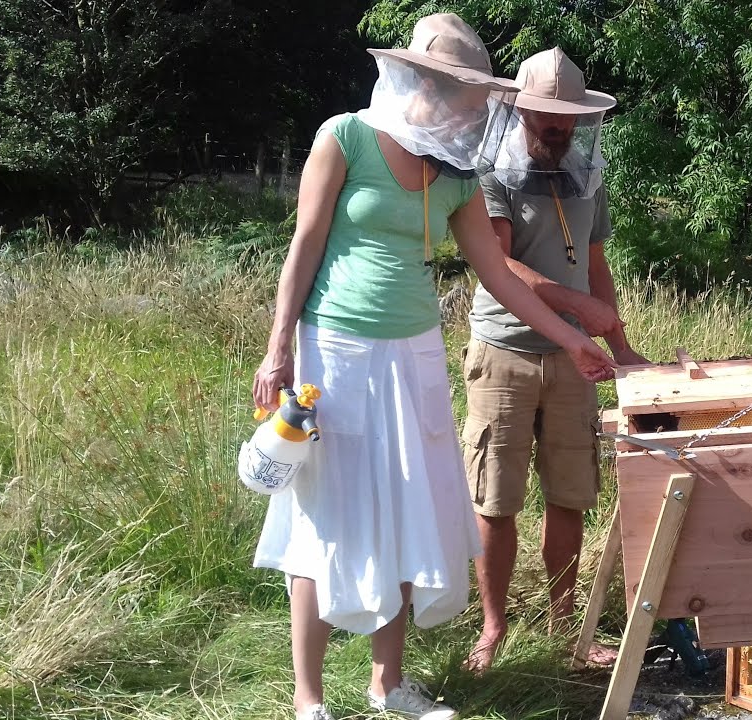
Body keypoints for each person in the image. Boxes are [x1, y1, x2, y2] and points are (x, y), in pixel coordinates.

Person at [249, 15, 616, 720]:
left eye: (477, 99)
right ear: (422, 84)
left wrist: (569, 340)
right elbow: (305, 244)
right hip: (337, 350)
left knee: (406, 509)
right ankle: (308, 699)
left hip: (414, 353)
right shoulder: (344, 137)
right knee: (325, 513)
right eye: (465, 96)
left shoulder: (456, 172)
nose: (472, 112)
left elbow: (499, 277)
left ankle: (387, 685)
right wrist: (278, 346)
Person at [460, 47, 648, 672]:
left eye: (568, 118)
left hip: (577, 362)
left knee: (570, 493)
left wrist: (619, 343)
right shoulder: (490, 172)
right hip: (503, 355)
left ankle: (568, 629)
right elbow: (497, 265)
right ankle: (493, 629)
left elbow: (595, 264)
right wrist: (574, 307)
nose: (559, 128)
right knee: (496, 499)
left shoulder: (587, 175)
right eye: (547, 116)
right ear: (521, 110)